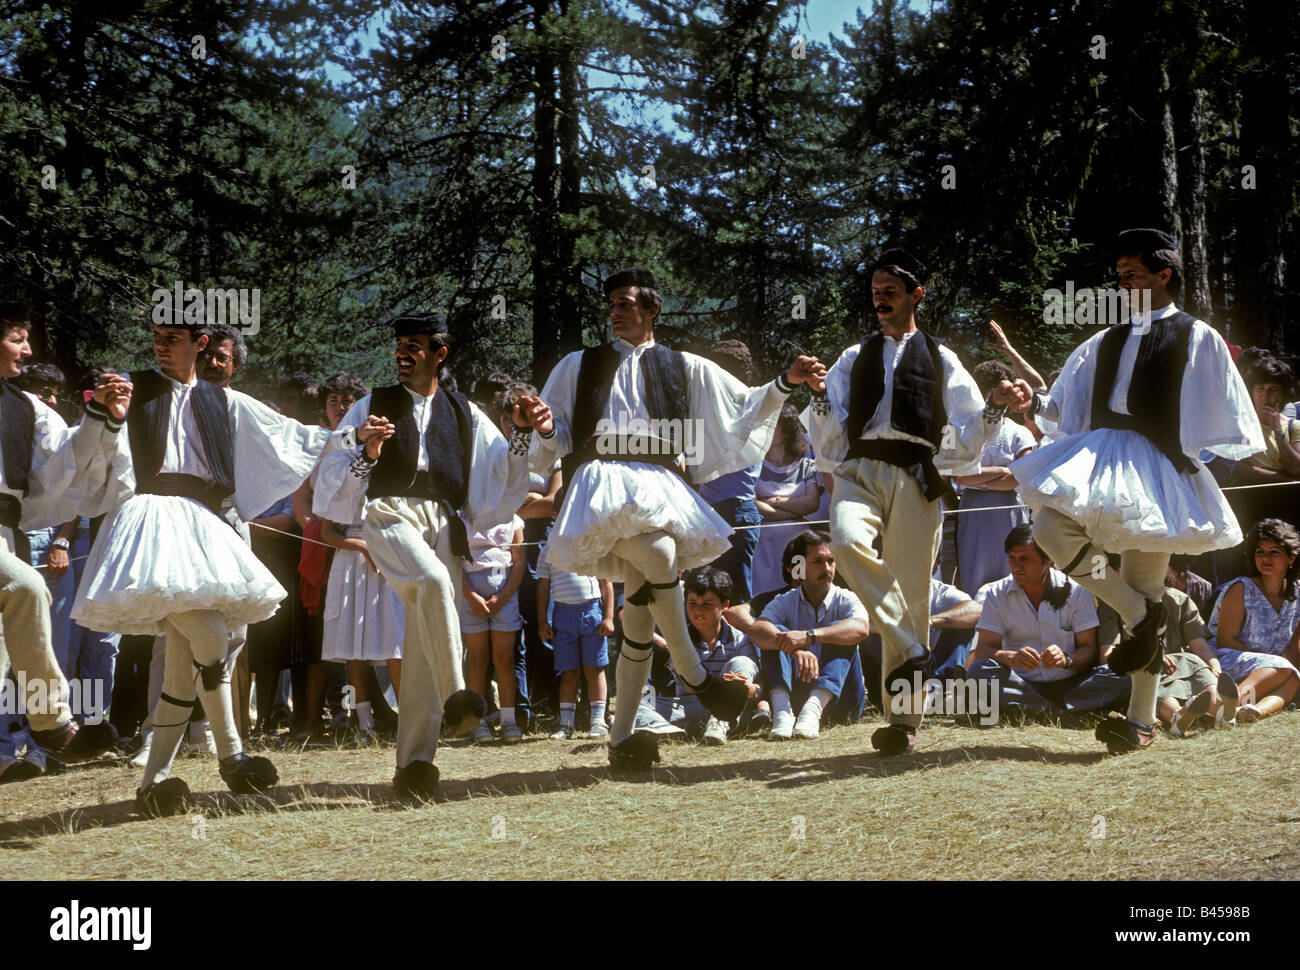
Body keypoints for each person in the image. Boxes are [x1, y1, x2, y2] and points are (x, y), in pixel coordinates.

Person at [71, 315, 378, 815]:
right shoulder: (136, 390)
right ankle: (234, 756)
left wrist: (352, 437)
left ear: (201, 344)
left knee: (182, 664)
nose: (161, 348)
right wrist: (103, 415)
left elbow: (291, 436)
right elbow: (86, 454)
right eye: (156, 339)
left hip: (202, 521)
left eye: (173, 339)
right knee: (209, 635)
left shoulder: (222, 400)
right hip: (150, 518)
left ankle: (154, 784)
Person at [531, 268, 822, 768]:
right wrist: (537, 425)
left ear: (652, 310)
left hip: (662, 479)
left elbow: (741, 406)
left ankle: (621, 741)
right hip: (601, 479)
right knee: (662, 554)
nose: (616, 311)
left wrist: (784, 382)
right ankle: (694, 674)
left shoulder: (684, 366)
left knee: (640, 618)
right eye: (612, 303)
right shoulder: (580, 364)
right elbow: (553, 430)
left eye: (626, 302)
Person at [1008, 228, 1263, 753]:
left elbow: (1219, 410)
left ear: (1163, 275)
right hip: (1100, 459)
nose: (1122, 284)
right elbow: (1064, 405)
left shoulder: (1196, 336)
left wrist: (1188, 460)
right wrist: (1030, 400)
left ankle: (1140, 721)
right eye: (1119, 275)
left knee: (1146, 581)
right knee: (1050, 526)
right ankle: (1141, 617)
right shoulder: (1104, 340)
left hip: (1158, 471)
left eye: (1133, 274)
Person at [313, 313, 548, 801]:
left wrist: (523, 432)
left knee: (421, 645)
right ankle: (459, 697)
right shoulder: (370, 405)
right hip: (386, 513)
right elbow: (333, 472)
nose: (403, 352)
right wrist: (368, 452)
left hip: (443, 518)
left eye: (414, 345)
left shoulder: (464, 411)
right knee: (435, 585)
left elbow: (499, 474)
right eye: (399, 343)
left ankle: (414, 765)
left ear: (440, 354)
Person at [807, 249, 1025, 755]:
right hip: (859, 470)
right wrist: (818, 393)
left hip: (916, 474)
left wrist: (994, 407)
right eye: (875, 293)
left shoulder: (942, 357)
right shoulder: (853, 356)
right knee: (843, 541)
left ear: (915, 295)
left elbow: (967, 437)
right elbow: (831, 428)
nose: (880, 301)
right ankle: (910, 644)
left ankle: (902, 722)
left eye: (890, 292)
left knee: (913, 593)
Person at [0, 302, 130, 768]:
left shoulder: (24, 407)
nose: (27, 348)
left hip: (5, 531)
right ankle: (53, 723)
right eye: (17, 338)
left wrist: (101, 416)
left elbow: (68, 460)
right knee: (25, 587)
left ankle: (10, 746)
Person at [965, 525, 1128, 718]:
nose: (1016, 567)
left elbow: (1089, 650)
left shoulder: (1076, 590)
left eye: (1025, 559)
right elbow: (984, 650)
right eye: (1011, 558)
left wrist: (1067, 659)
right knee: (979, 672)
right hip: (1020, 683)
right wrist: (1012, 657)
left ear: (1048, 559)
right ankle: (1062, 711)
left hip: (1073, 684)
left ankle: (1038, 710)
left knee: (1124, 677)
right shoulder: (996, 593)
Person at [747, 530, 870, 740]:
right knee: (776, 633)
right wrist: (793, 648)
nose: (827, 568)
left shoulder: (847, 598)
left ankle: (813, 709)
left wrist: (809, 636)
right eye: (818, 562)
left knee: (840, 630)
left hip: (842, 703)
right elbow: (758, 631)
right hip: (796, 699)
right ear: (799, 567)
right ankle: (782, 713)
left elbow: (861, 629)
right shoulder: (785, 600)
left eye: (831, 561)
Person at [1096, 586, 1232, 736]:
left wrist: (1214, 666)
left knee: (1195, 662)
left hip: (1181, 663)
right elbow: (1107, 656)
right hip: (1142, 667)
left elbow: (1200, 647)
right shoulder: (1112, 604)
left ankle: (1222, 711)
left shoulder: (1179, 599)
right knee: (1151, 672)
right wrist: (1147, 657)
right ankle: (1178, 717)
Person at [952, 359, 1035, 597]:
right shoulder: (964, 432)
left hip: (1010, 513)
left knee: (1012, 574)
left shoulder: (1020, 433)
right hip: (973, 515)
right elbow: (957, 473)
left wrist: (978, 478)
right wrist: (1003, 471)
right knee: (974, 576)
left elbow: (1020, 477)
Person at [1206, 518, 1300, 722]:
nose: (1265, 558)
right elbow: (1225, 641)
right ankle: (1222, 707)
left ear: (1291, 558)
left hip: (1274, 667)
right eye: (1260, 552)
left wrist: (1285, 665)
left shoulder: (1299, 593)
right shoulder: (1241, 588)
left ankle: (1252, 712)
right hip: (1227, 660)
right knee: (1283, 666)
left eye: (1274, 552)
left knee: (1294, 676)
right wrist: (1271, 662)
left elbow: (1294, 645)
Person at [654, 566, 761, 744]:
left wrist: (750, 690)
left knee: (742, 661)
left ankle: (718, 723)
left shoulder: (741, 639)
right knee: (636, 707)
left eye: (707, 605)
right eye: (692, 603)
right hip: (690, 705)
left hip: (730, 706)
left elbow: (758, 683)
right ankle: (676, 731)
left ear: (725, 605)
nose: (698, 611)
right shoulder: (679, 640)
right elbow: (688, 685)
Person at [699, 339, 763, 602]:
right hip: (709, 510)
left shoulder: (748, 404)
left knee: (735, 601)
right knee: (703, 598)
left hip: (735, 511)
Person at [460, 512, 527, 743]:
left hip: (504, 596)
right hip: (471, 596)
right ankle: (477, 723)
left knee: (504, 658)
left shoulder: (512, 519)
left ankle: (509, 720)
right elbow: (452, 562)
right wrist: (470, 597)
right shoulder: (459, 519)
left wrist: (503, 596)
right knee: (477, 660)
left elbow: (519, 562)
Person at [537, 542, 613, 740]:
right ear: (554, 517)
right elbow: (543, 586)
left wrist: (609, 617)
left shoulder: (593, 543)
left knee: (594, 668)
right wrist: (542, 620)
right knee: (569, 672)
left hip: (592, 611)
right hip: (563, 614)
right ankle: (566, 725)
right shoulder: (549, 549)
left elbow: (606, 582)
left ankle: (598, 722)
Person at [751, 404, 824, 596]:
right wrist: (795, 511)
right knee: (764, 599)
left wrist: (774, 501)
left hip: (798, 549)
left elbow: (812, 503)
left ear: (787, 431)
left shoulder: (807, 466)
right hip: (763, 549)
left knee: (799, 592)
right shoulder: (753, 466)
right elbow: (752, 504)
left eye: (772, 424)